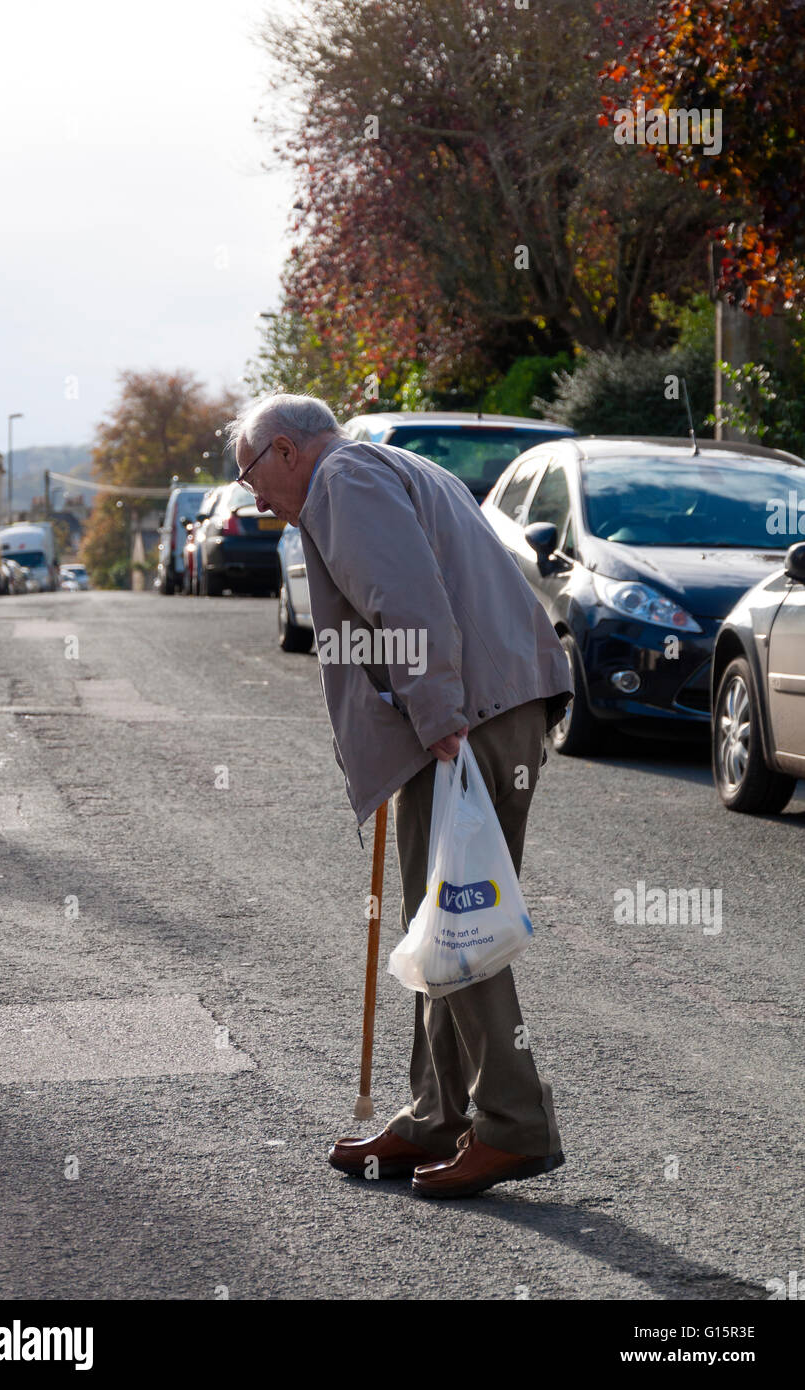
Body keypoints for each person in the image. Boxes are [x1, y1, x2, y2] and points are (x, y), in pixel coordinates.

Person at [228, 394, 573, 1199]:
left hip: (467, 720)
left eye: (251, 473)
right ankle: (435, 1114)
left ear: (285, 450)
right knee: (439, 916)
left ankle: (510, 1126)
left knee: (460, 916)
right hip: (493, 708)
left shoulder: (343, 480)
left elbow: (406, 603)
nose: (253, 496)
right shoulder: (391, 464)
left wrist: (436, 713)